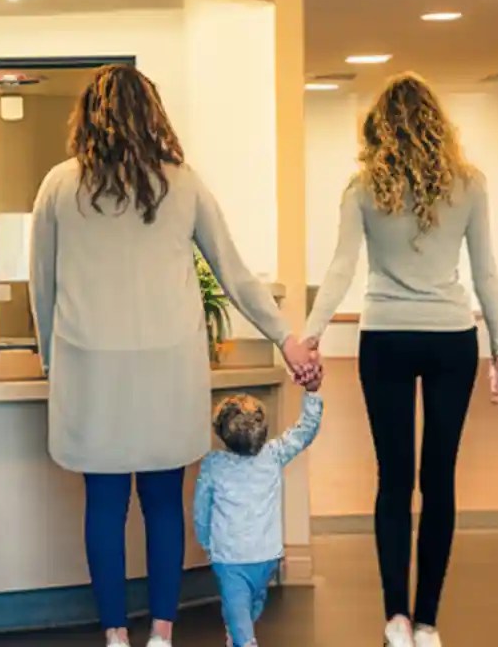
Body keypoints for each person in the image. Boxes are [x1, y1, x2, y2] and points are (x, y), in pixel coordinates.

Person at [28, 64, 317, 647]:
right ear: (154, 114)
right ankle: (161, 634)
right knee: (163, 504)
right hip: (168, 370)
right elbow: (233, 271)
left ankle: (115, 635)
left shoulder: (59, 185)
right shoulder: (183, 183)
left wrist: (50, 362)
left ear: (87, 115)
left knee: (104, 507)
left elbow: (42, 284)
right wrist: (286, 338)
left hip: (92, 370)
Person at [304, 72, 498, 647]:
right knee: (439, 478)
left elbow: (341, 268)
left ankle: (395, 618)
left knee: (393, 480)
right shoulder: (470, 184)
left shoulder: (361, 189)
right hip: (451, 339)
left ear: (378, 127)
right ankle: (427, 622)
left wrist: (310, 333)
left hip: (387, 339)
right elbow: (486, 271)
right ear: (437, 124)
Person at [195, 386, 324, 647]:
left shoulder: (213, 465)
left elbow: (201, 507)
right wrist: (312, 393)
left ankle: (240, 637)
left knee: (239, 608)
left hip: (230, 558)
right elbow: (305, 431)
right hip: (267, 557)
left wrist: (205, 540)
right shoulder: (274, 455)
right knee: (248, 610)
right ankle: (243, 639)